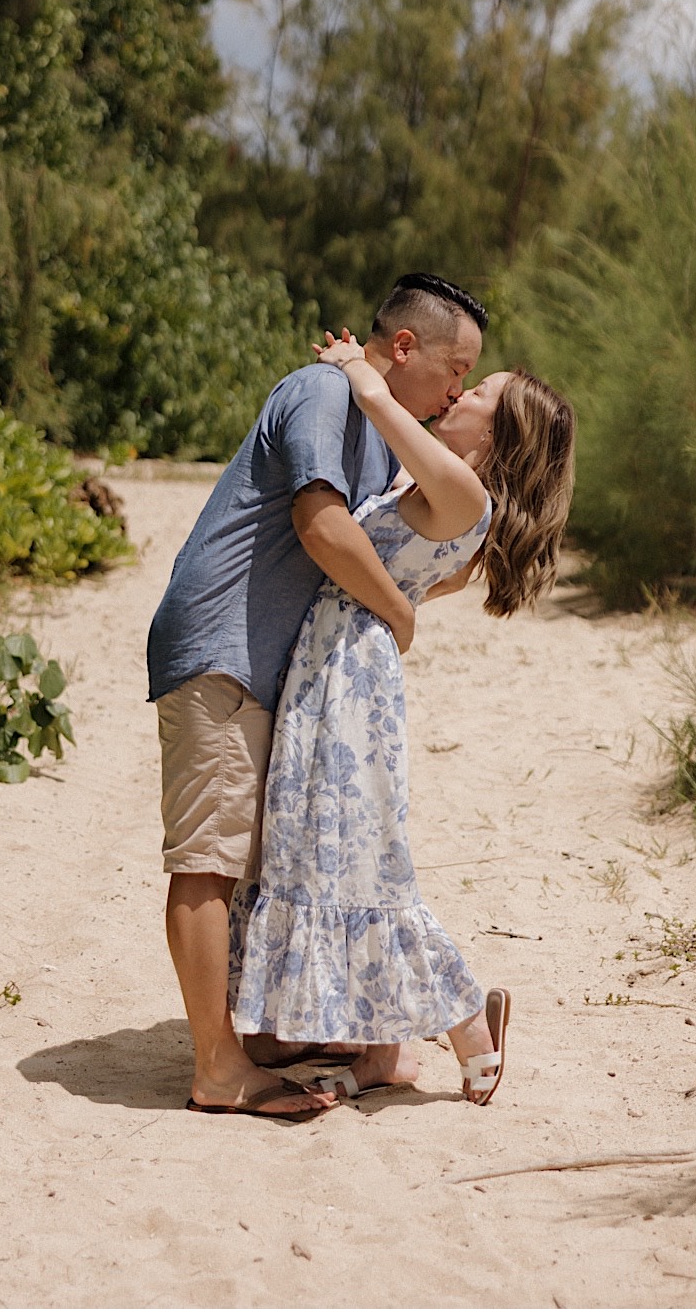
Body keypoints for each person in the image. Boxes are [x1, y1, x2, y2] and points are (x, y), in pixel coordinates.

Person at [146, 274, 487, 1119]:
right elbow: (319, 523)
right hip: (224, 646)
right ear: (403, 346)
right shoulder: (322, 391)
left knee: (252, 859)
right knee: (209, 859)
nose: (455, 389)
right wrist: (399, 611)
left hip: (269, 669)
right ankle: (219, 1068)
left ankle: (260, 1045)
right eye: (456, 367)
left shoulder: (375, 423)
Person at [229, 331, 577, 1105]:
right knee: (345, 850)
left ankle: (466, 1021)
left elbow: (381, 403)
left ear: (494, 436)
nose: (457, 396)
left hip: (351, 677)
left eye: (475, 393)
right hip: (337, 663)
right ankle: (384, 1054)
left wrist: (361, 365)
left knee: (367, 860)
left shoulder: (465, 496)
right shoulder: (436, 496)